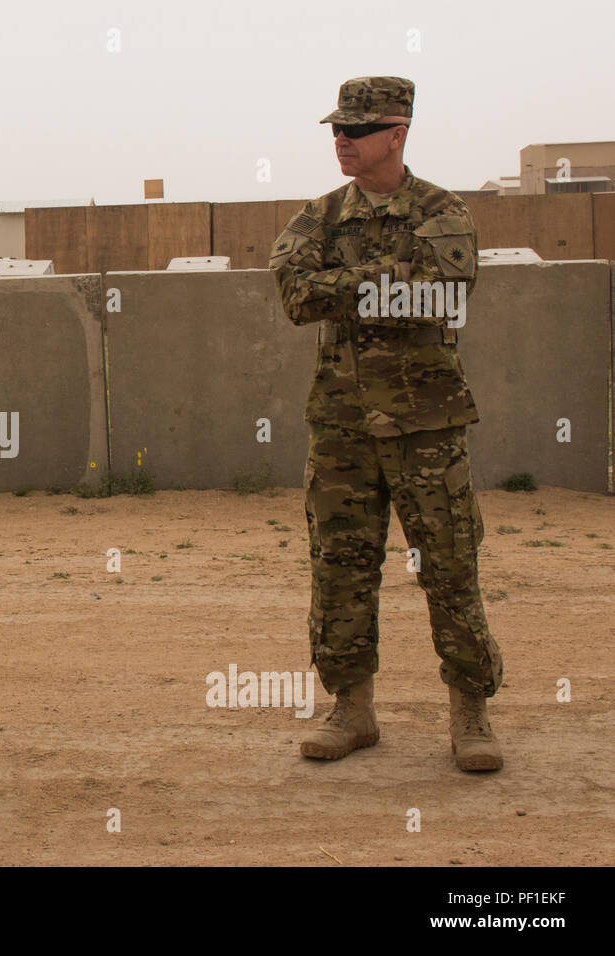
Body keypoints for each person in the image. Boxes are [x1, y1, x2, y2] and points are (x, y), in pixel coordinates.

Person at [269, 76, 504, 772]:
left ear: (396, 134)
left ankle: (471, 713)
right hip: (341, 423)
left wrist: (351, 285)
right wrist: (386, 277)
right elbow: (293, 293)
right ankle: (352, 709)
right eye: (335, 130)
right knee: (340, 566)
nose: (340, 140)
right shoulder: (317, 215)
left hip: (426, 424)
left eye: (355, 130)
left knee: (450, 565)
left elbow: (443, 290)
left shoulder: (443, 209)